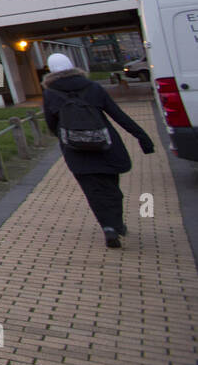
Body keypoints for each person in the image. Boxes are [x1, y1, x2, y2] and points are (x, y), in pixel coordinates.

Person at [42, 52, 154, 249]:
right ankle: (116, 223)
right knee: (112, 188)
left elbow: (51, 123)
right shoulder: (93, 87)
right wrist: (142, 137)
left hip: (75, 150)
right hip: (105, 145)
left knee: (93, 191)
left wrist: (62, 134)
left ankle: (107, 227)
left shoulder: (50, 93)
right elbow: (117, 114)